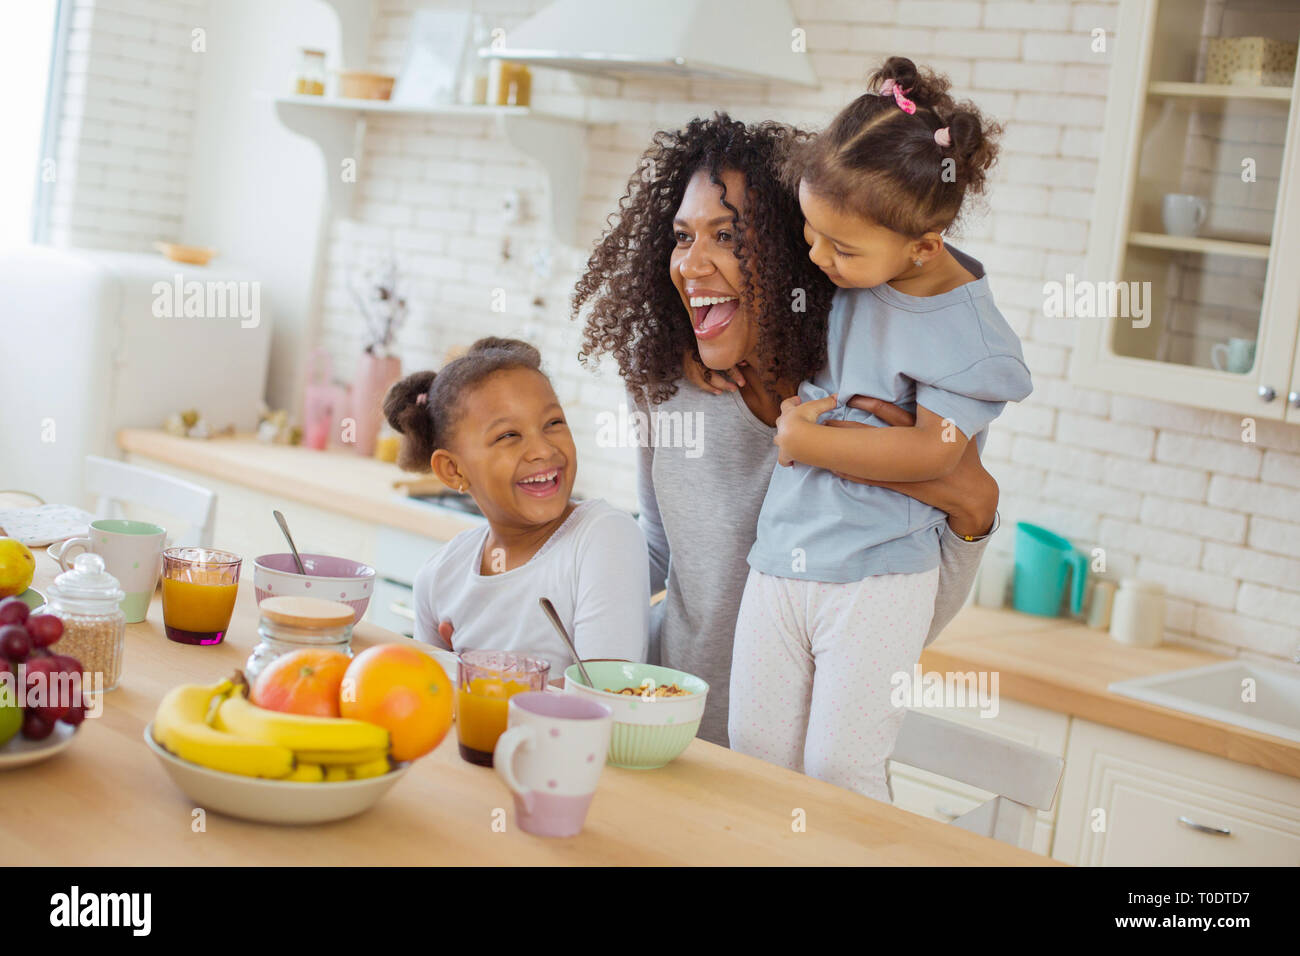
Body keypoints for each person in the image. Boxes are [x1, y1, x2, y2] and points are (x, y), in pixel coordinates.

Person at [574, 114, 1002, 753]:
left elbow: (903, 607)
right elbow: (661, 553)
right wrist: (542, 600)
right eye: (682, 236)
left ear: (794, 249)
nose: (692, 263)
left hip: (801, 771)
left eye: (726, 235)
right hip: (664, 739)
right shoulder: (667, 387)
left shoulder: (891, 396)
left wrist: (975, 512)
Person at [729, 57, 1032, 802]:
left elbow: (936, 450)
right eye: (811, 230)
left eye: (841, 247)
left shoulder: (970, 336)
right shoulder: (857, 273)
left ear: (924, 245)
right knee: (755, 758)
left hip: (878, 574)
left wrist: (805, 442)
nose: (818, 256)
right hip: (781, 558)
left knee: (843, 773)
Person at [384, 337, 649, 679]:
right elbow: (430, 703)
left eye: (553, 423)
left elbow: (604, 696)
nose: (541, 449)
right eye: (508, 435)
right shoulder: (438, 578)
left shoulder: (604, 536)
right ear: (453, 470)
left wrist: (471, 678)